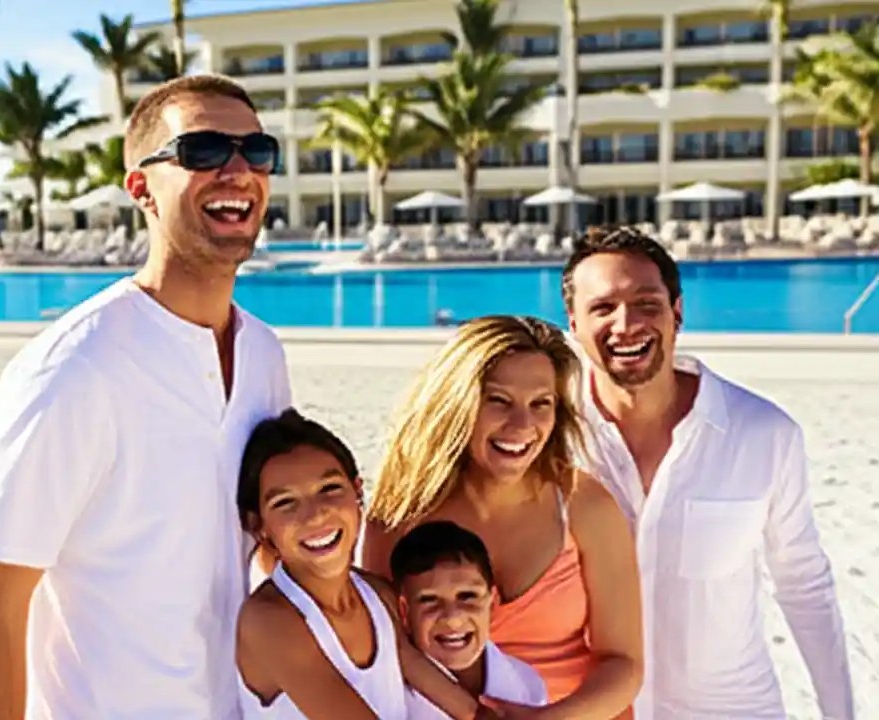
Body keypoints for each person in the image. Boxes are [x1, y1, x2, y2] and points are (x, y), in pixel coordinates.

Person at [0, 74, 293, 719]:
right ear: (141, 187)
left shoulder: (264, 355)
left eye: (257, 151)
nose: (237, 171)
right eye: (202, 151)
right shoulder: (74, 368)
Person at [562, 226, 854, 719]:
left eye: (647, 303)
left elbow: (804, 584)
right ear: (573, 323)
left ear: (678, 312)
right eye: (603, 308)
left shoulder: (764, 433)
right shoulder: (548, 438)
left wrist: (840, 713)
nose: (626, 324)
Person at [361, 315, 643, 720]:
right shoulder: (399, 516)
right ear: (459, 404)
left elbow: (624, 663)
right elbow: (392, 658)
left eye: (540, 404)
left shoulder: (583, 504)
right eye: (499, 401)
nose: (522, 425)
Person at [234, 409, 493, 720]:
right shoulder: (271, 621)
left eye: (329, 490)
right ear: (259, 525)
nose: (316, 515)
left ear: (357, 491)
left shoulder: (377, 594)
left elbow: (415, 665)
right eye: (285, 503)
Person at [389, 521, 549, 718]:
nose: (453, 618)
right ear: (404, 611)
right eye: (429, 600)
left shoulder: (527, 684)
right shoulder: (388, 691)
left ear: (491, 604)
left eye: (467, 596)